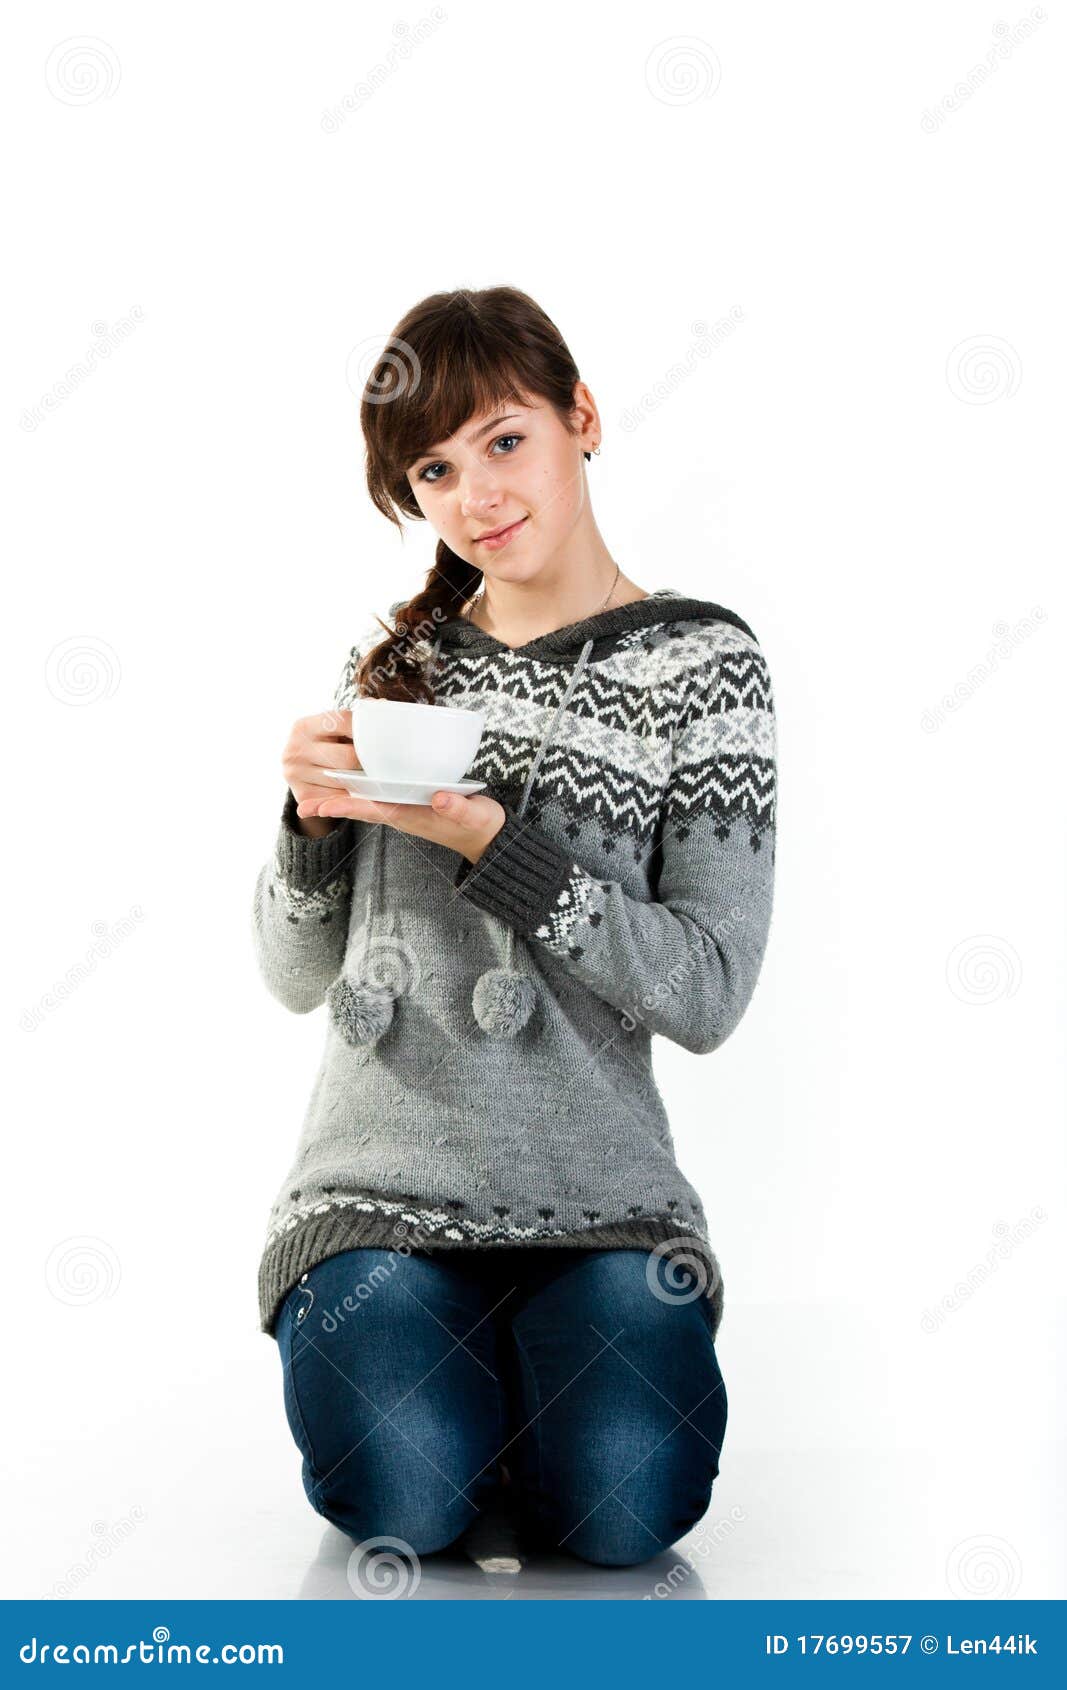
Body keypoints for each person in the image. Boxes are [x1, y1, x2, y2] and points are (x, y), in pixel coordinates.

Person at [251, 285, 777, 1570]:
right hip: (376, 1195)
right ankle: (460, 1393)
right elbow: (292, 973)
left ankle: (517, 1393)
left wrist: (503, 852)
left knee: (622, 1508)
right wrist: (304, 825)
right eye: (433, 469)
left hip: (599, 1206)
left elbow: (707, 992)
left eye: (503, 440)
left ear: (579, 418)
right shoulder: (394, 676)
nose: (476, 494)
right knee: (407, 1494)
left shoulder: (702, 668)